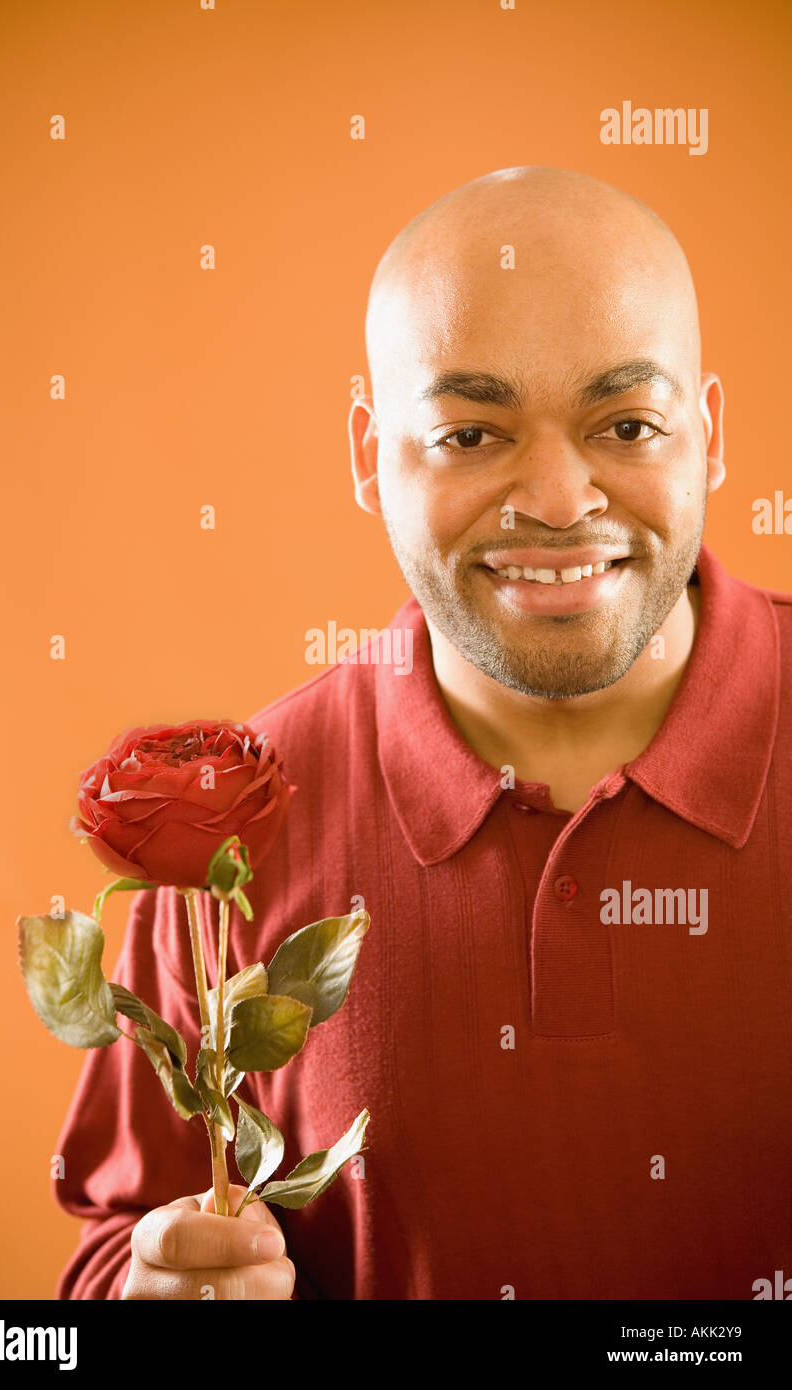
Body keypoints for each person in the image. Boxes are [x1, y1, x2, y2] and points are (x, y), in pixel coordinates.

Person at [54, 165, 792, 1300]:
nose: (558, 499)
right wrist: (146, 1288)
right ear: (368, 454)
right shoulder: (225, 832)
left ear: (708, 435)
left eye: (627, 425)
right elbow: (117, 1234)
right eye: (470, 434)